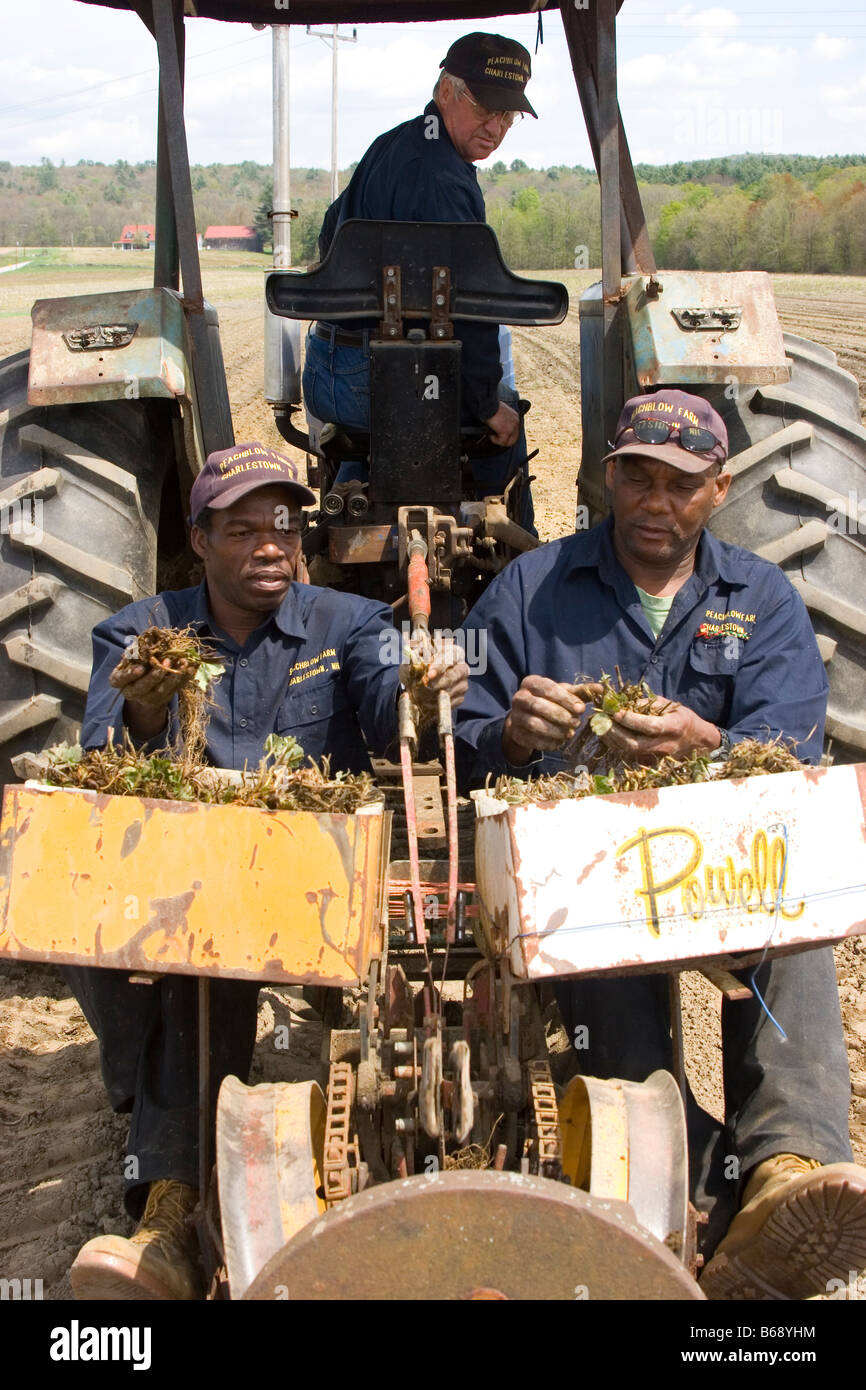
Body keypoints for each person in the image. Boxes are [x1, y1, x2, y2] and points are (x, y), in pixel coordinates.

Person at [454, 388, 866, 1300]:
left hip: (719, 866)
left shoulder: (760, 598)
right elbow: (460, 721)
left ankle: (788, 1169)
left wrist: (710, 745)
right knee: (618, 1007)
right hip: (586, 878)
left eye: (680, 485)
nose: (655, 503)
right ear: (608, 480)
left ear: (718, 491)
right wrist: (515, 733)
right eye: (636, 479)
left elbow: (793, 748)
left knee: (794, 931)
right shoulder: (530, 587)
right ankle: (707, 1194)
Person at [66, 442, 468, 1301]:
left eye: (285, 526)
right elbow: (104, 771)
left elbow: (384, 687)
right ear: (198, 539)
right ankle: (170, 1210)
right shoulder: (139, 632)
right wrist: (144, 699)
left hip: (317, 881)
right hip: (190, 883)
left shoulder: (347, 623)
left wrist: (421, 687)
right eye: (242, 529)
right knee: (184, 964)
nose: (271, 545)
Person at [302, 32, 538, 531]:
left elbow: (331, 233)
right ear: (445, 91)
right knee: (507, 429)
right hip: (380, 386)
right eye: (485, 108)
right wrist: (488, 408)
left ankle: (349, 504)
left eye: (508, 116)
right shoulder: (446, 181)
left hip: (331, 375)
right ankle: (513, 558)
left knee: (368, 440)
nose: (495, 127)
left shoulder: (393, 144)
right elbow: (469, 315)